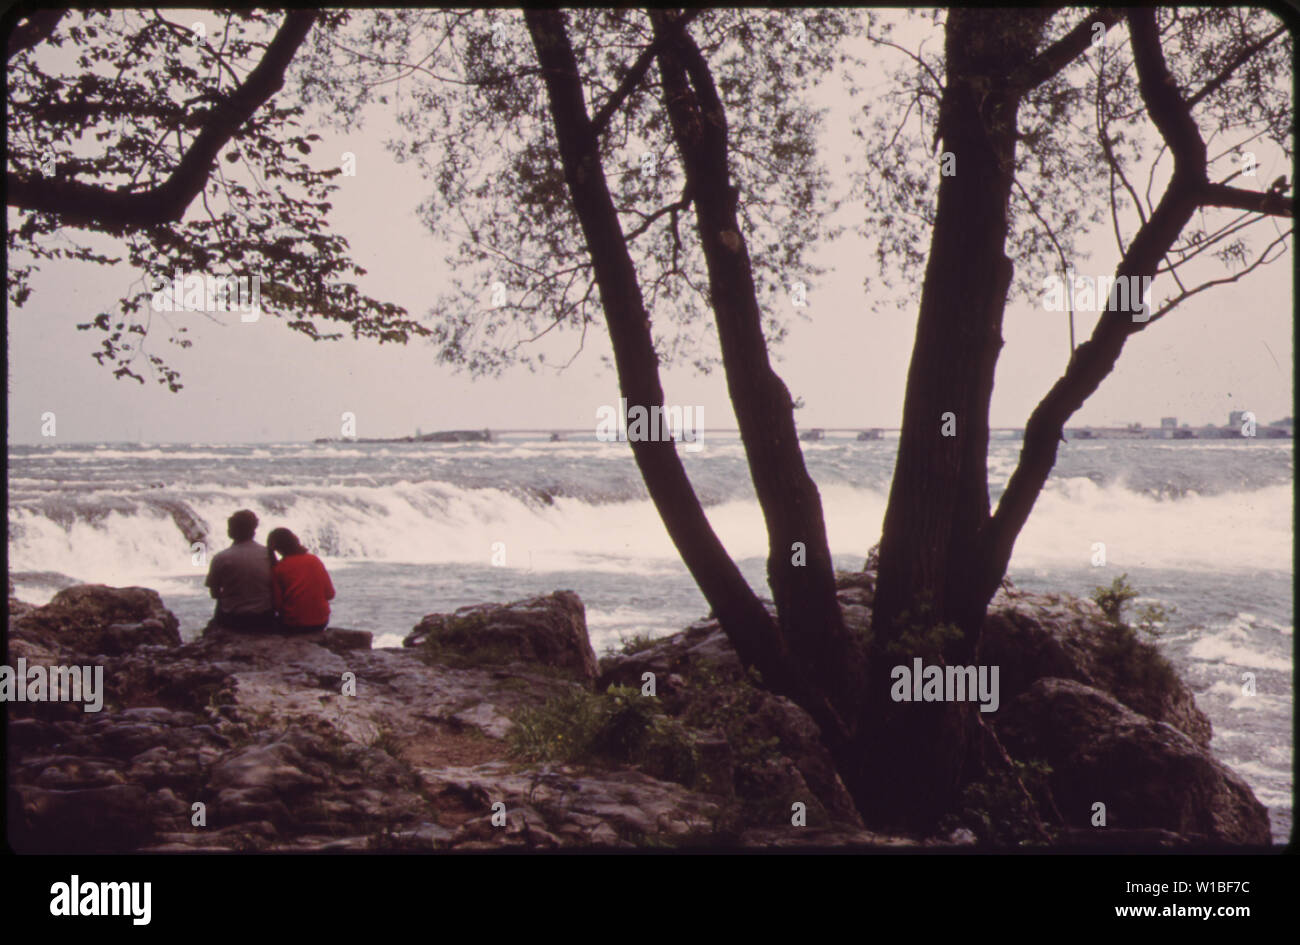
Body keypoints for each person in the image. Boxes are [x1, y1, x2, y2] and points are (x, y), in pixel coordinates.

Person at [204, 510, 275, 631]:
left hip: (234, 619)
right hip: (265, 617)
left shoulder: (221, 557)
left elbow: (214, 593)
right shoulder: (268, 553)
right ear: (254, 530)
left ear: (231, 531)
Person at [266, 528, 335, 633]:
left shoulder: (279, 568)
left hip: (293, 624)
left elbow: (277, 604)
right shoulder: (314, 560)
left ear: (277, 549)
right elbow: (330, 594)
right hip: (321, 622)